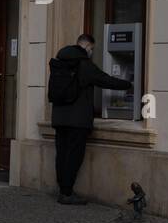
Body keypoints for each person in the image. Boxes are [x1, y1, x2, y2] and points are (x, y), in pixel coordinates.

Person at [49, 33, 133, 205]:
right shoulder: (84, 65)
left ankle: (63, 189)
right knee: (74, 156)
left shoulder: (60, 62)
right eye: (92, 49)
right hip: (77, 120)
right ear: (87, 46)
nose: (92, 52)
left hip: (59, 117)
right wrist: (129, 84)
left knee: (62, 154)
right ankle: (67, 193)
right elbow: (104, 80)